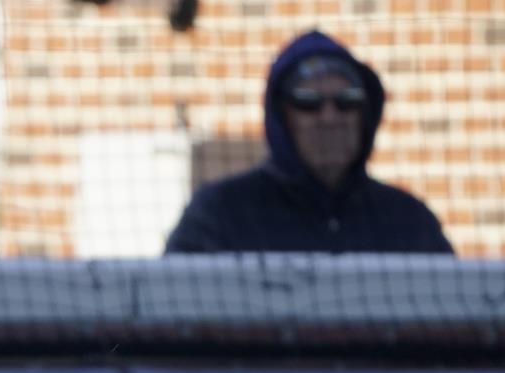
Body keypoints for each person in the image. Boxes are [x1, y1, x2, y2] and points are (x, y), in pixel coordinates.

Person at [164, 29, 452, 254]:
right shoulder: (221, 214)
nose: (329, 117)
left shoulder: (408, 222)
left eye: (347, 101)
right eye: (308, 102)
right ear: (281, 117)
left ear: (366, 113)